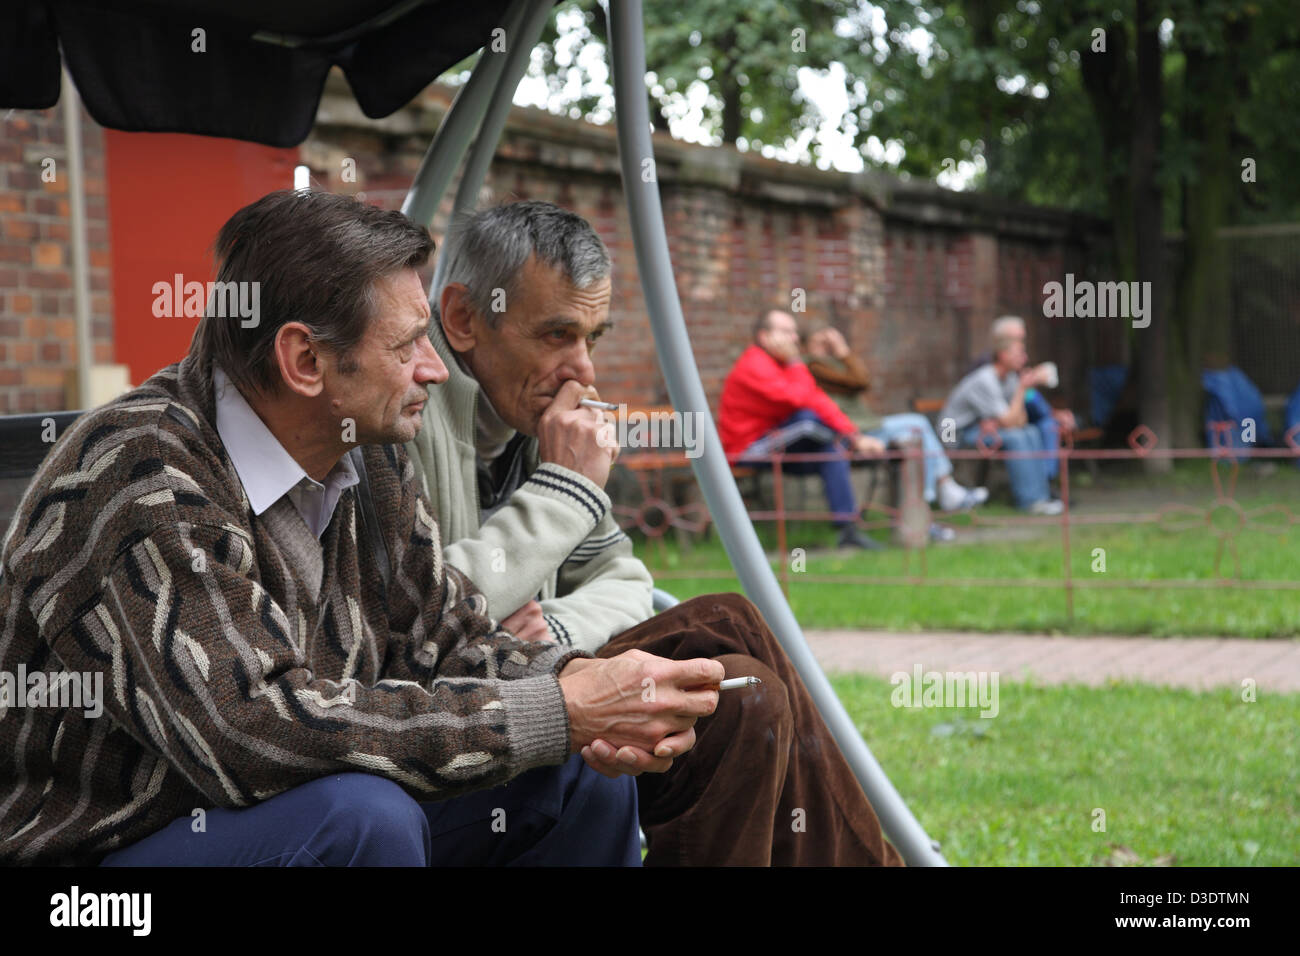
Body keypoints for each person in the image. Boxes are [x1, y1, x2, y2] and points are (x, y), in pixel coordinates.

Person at [0, 190, 726, 867]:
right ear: (305, 360)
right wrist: (549, 711)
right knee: (361, 818)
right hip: (103, 854)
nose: (437, 370)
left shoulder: (368, 454)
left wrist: (578, 685)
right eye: (409, 344)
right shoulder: (142, 473)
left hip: (279, 804)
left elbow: (444, 640)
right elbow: (248, 733)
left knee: (573, 771)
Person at [407, 201, 904, 866]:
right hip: (442, 714)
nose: (583, 370)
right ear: (464, 319)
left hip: (531, 671)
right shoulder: (403, 415)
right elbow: (425, 611)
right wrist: (564, 490)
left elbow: (624, 577)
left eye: (593, 337)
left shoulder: (530, 423)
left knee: (748, 693)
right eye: (556, 335)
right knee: (731, 629)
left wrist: (556, 627)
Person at [805, 326, 989, 524]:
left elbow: (861, 380)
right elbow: (860, 381)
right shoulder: (812, 367)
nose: (825, 348)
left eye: (827, 343)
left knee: (915, 434)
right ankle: (934, 494)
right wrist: (843, 352)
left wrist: (842, 355)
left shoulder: (832, 365)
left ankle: (932, 495)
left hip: (866, 426)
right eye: (819, 343)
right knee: (916, 424)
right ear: (806, 346)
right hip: (857, 432)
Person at [942, 315, 1064, 514]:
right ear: (1003, 355)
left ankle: (1042, 496)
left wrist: (1021, 392)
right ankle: (1029, 501)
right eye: (1019, 353)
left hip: (982, 426)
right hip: (954, 433)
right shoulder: (985, 378)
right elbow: (1009, 421)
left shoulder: (1009, 378)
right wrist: (1021, 391)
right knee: (1016, 437)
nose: (1024, 359)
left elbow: (1018, 419)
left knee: (1030, 431)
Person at [962, 316, 1076, 485]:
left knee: (1046, 425)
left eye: (1022, 339)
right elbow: (990, 408)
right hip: (977, 426)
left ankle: (1044, 484)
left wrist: (1049, 408)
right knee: (1026, 433)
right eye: (1015, 339)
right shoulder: (988, 368)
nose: (1022, 349)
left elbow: (1027, 400)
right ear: (1000, 345)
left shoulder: (1012, 368)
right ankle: (1037, 489)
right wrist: (1024, 388)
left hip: (1013, 417)